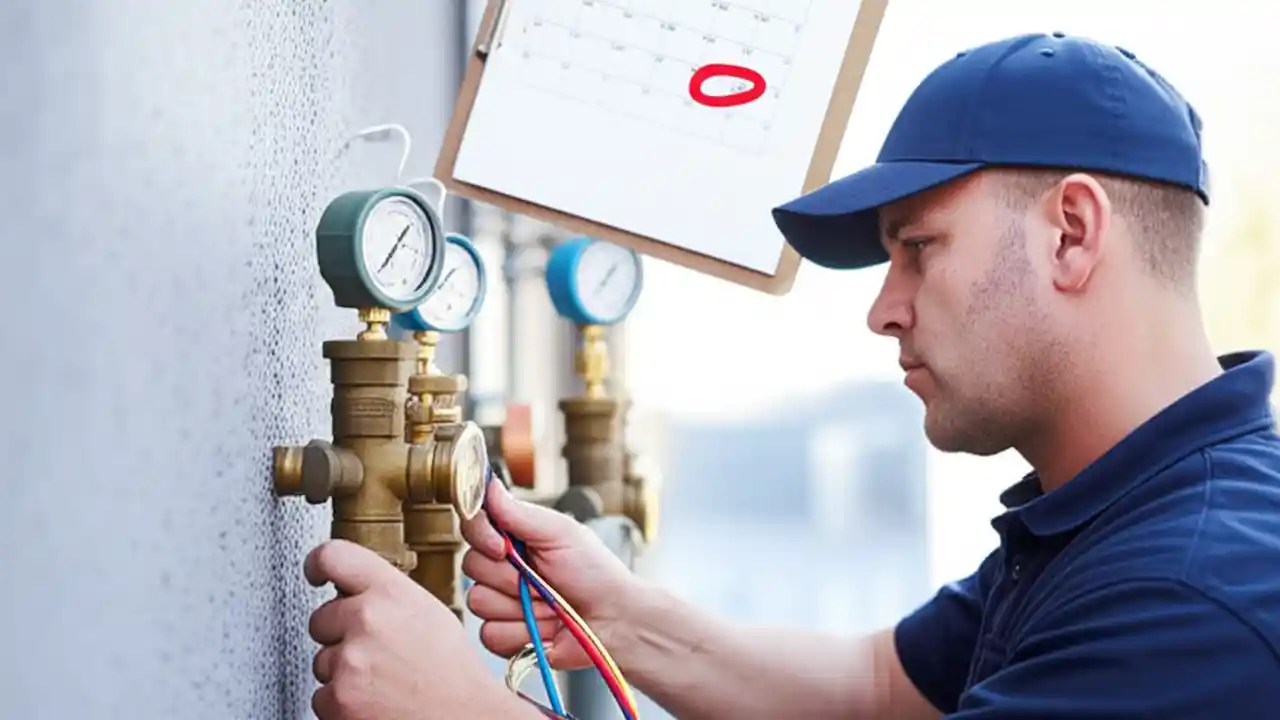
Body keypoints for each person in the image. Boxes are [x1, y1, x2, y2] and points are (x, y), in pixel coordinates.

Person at [301, 31, 1280, 719]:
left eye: (919, 249)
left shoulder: (1190, 598)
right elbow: (876, 693)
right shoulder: (1118, 517)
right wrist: (619, 619)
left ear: (1070, 233)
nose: (882, 307)